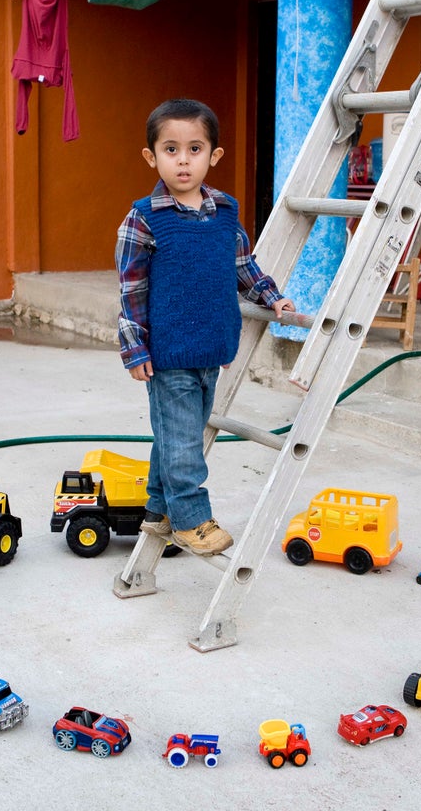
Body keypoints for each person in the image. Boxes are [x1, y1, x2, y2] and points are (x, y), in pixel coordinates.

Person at [116, 98, 295, 556]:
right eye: (170, 149)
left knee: (181, 435)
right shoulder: (143, 218)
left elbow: (242, 266)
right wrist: (135, 348)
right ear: (151, 156)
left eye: (194, 149)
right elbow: (131, 290)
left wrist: (271, 297)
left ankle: (158, 510)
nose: (182, 160)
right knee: (183, 442)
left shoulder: (224, 212)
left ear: (213, 156)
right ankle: (192, 519)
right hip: (169, 355)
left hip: (213, 348)